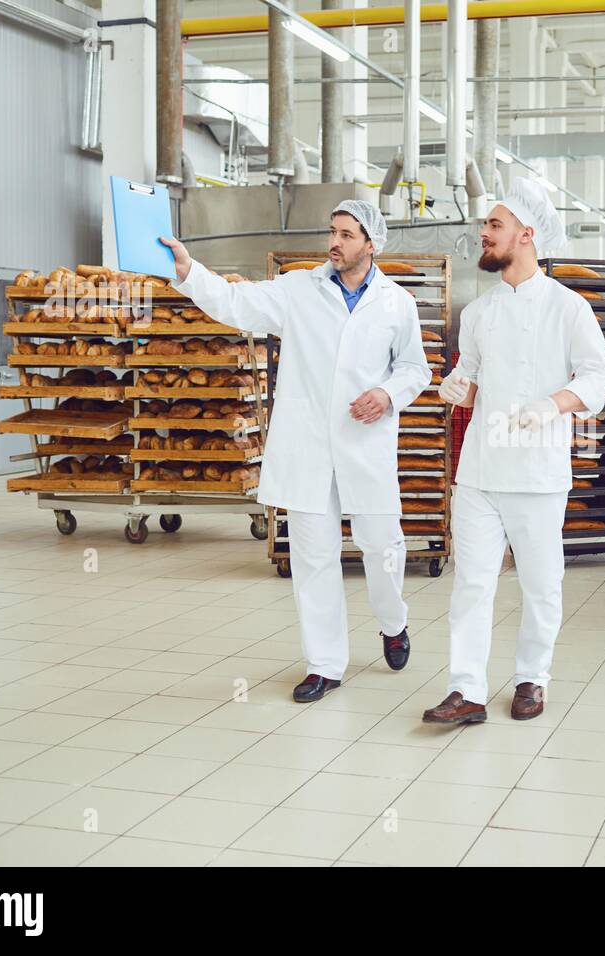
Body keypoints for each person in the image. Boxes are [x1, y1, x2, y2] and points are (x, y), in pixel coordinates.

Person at [160, 201, 431, 703]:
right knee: (313, 558)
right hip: (307, 448)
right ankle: (325, 665)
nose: (336, 242)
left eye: (348, 235)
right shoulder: (299, 289)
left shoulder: (397, 303)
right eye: (333, 232)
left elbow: (416, 369)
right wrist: (189, 272)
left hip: (364, 444)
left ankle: (393, 623)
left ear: (371, 244)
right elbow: (235, 302)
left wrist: (388, 394)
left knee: (383, 548)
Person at [422, 179, 605, 725]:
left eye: (494, 225)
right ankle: (466, 690)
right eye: (485, 225)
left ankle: (533, 677)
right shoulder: (480, 311)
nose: (483, 233)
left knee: (540, 582)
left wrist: (552, 405)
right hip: (480, 469)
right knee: (471, 582)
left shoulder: (567, 307)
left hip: (535, 471)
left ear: (526, 235)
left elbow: (600, 378)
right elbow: (470, 373)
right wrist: (455, 386)